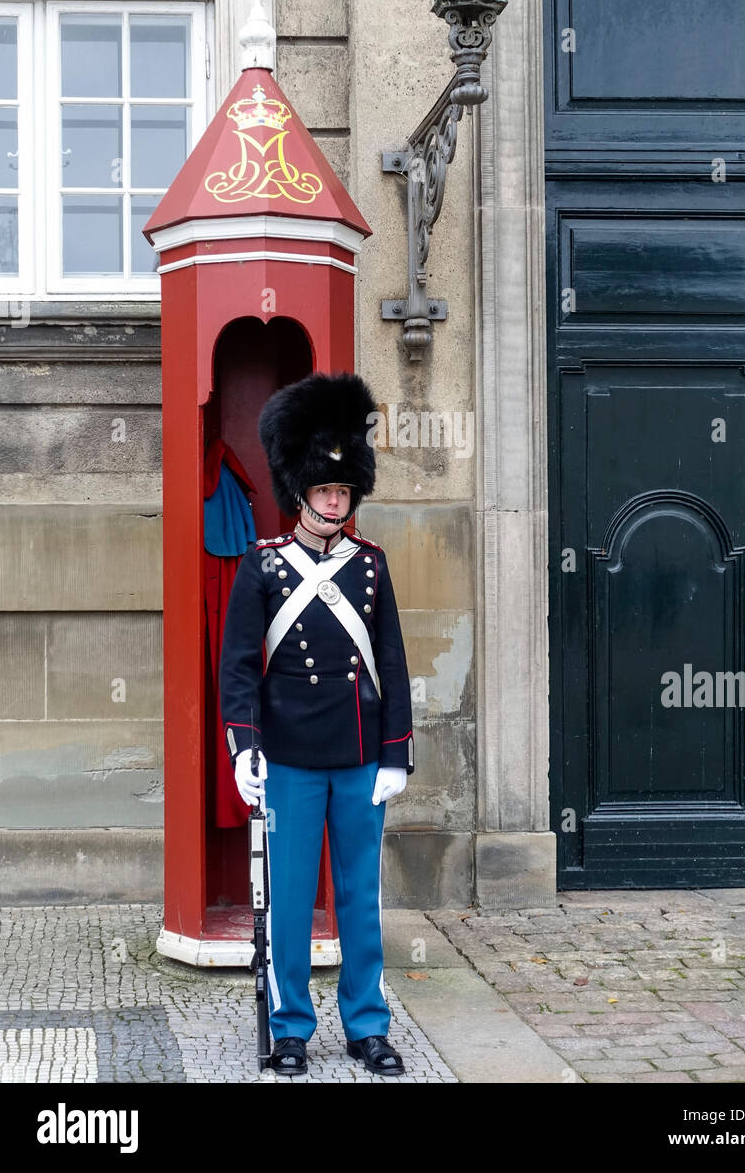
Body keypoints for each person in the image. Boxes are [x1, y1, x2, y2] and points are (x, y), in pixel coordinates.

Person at [219, 371, 414, 1077]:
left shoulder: (370, 567)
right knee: (292, 901)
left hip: (360, 755)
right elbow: (238, 666)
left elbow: (391, 660)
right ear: (301, 491)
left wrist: (397, 753)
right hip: (293, 762)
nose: (337, 502)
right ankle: (292, 1027)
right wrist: (245, 746)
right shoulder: (263, 568)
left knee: (361, 899)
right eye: (326, 491)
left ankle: (367, 1025)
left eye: (345, 492)